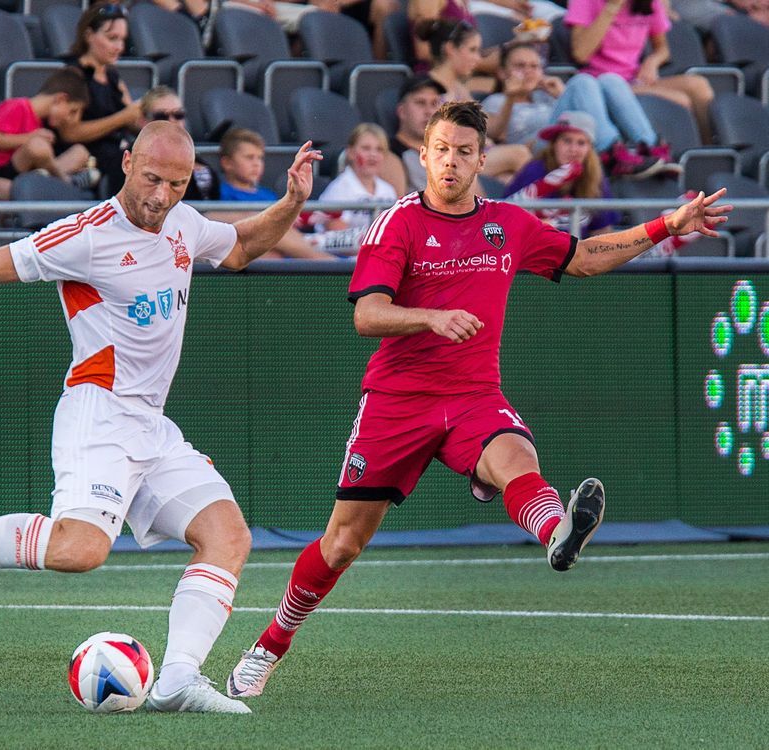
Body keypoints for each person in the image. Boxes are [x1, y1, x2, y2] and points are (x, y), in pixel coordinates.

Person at [226, 100, 730, 698]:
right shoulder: (398, 223)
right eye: (442, 149)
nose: (451, 161)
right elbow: (367, 315)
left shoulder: (508, 224)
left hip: (473, 395)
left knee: (516, 455)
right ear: (422, 155)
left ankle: (556, 533)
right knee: (341, 544)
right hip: (398, 400)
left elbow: (584, 260)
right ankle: (269, 645)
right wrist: (431, 317)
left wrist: (665, 227)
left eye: (464, 152)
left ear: (482, 160)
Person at [0, 123, 323, 714]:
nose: (161, 197)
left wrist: (289, 203)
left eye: (177, 184)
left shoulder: (183, 223)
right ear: (128, 162)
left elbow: (238, 248)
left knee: (227, 535)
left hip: (151, 426)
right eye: (153, 179)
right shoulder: (86, 235)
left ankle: (178, 680)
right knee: (79, 551)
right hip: (98, 414)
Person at [482, 42, 668, 177]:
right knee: (582, 81)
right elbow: (496, 133)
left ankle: (651, 148)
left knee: (610, 80)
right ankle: (610, 151)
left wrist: (561, 94)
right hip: (538, 152)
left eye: (535, 66)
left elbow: (576, 117)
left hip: (572, 141)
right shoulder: (496, 100)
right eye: (520, 66)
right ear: (502, 72)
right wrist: (510, 98)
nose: (529, 71)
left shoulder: (546, 95)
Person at [566, 0, 715, 143]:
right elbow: (580, 54)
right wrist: (612, 6)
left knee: (699, 85)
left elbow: (662, 49)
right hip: (602, 83)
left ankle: (705, 153)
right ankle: (663, 151)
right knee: (682, 100)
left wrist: (652, 62)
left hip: (635, 79)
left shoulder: (648, 2)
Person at [416, 21, 533, 184]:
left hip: (478, 154)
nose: (478, 59)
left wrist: (510, 98)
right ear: (450, 49)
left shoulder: (458, 88)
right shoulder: (428, 87)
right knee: (519, 154)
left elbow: (491, 129)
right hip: (454, 158)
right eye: (472, 50)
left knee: (508, 180)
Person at [54, 2, 141, 198]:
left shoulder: (112, 76)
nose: (119, 47)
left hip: (114, 154)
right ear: (89, 35)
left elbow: (132, 119)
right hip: (88, 158)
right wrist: (122, 118)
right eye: (112, 38)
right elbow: (69, 133)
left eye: (122, 40)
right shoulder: (73, 75)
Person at [215, 128, 338, 259]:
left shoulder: (268, 195)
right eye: (249, 157)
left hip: (285, 250)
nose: (256, 164)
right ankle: (332, 264)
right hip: (245, 250)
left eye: (260, 158)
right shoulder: (221, 193)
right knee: (272, 252)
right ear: (227, 163)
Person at [0, 67, 98, 200]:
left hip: (28, 173)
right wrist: (30, 138)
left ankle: (44, 177)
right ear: (61, 99)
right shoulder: (16, 106)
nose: (69, 119)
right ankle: (65, 181)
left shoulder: (40, 122)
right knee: (37, 146)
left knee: (80, 152)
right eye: (72, 111)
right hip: (1, 172)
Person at [505, 111, 621, 235]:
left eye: (581, 143)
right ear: (554, 144)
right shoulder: (535, 170)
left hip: (577, 250)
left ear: (589, 148)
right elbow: (507, 222)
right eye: (567, 141)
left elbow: (602, 230)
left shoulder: (595, 176)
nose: (573, 149)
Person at [310, 124, 399, 256]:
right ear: (350, 153)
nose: (373, 155)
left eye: (379, 150)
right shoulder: (339, 189)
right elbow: (340, 237)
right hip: (341, 261)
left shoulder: (388, 190)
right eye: (366, 148)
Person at [139, 85, 219, 201]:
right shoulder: (135, 160)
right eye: (161, 116)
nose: (172, 121)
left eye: (178, 115)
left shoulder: (193, 155)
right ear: (144, 121)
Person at [387, 76, 443, 193]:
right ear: (402, 111)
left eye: (434, 103)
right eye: (420, 103)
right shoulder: (388, 153)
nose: (429, 111)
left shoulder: (449, 152)